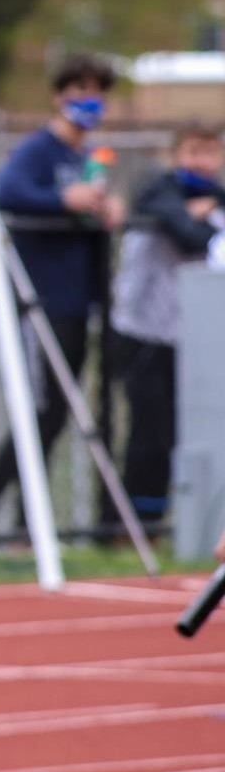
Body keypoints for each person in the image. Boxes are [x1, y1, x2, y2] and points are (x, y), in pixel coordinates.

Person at [0, 54, 125, 541]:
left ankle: (27, 524)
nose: (89, 100)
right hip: (39, 300)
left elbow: (87, 209)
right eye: (80, 90)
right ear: (59, 95)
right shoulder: (39, 150)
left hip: (79, 299)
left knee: (57, 414)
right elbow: (5, 191)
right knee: (43, 411)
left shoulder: (85, 156)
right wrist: (62, 201)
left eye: (97, 91)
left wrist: (105, 209)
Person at [109, 124, 223, 520]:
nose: (202, 162)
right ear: (176, 156)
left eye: (210, 153)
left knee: (182, 430)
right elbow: (192, 236)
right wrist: (204, 220)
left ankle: (173, 518)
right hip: (144, 332)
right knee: (149, 433)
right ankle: (135, 521)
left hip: (192, 339)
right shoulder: (159, 190)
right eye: (193, 152)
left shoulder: (213, 195)